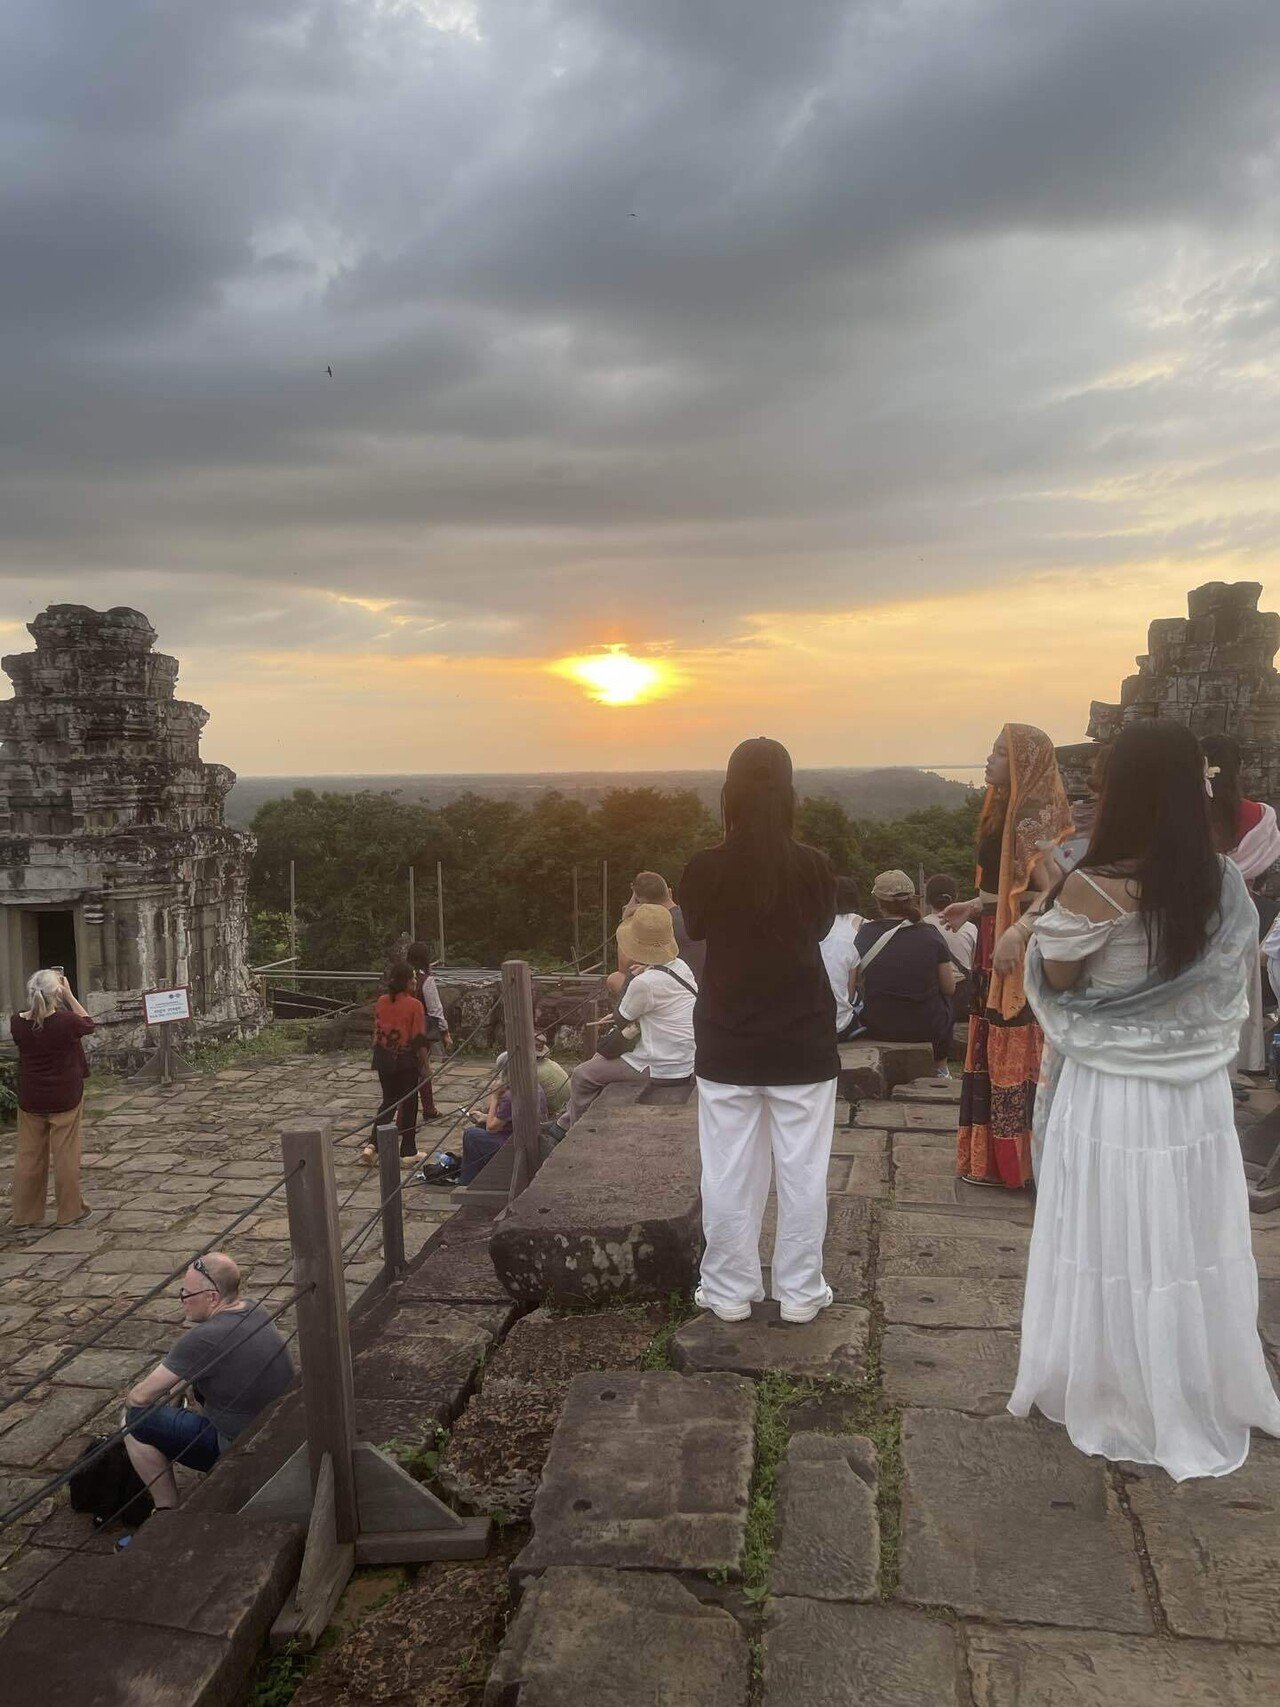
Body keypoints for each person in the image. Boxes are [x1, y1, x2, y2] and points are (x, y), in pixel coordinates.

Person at [1008, 719, 1280, 1480]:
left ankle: (1119, 1382)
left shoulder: (1098, 887)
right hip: (1194, 1090)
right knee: (1185, 1231)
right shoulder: (1222, 881)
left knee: (1111, 1231)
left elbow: (1058, 981)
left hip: (1115, 1091)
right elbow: (1235, 975)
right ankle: (1190, 1379)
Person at [679, 737, 838, 1326]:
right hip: (803, 1037)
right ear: (790, 794)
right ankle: (799, 1291)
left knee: (725, 1171)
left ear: (730, 794)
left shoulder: (706, 866)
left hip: (727, 1036)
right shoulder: (815, 865)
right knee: (803, 1172)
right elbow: (820, 930)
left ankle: (728, 1289)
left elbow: (694, 925)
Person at [942, 724, 1074, 1189]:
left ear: (1023, 767)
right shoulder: (1007, 812)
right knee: (994, 1041)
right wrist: (976, 905)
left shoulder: (1026, 820)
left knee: (1013, 1042)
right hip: (994, 937)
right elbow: (1006, 886)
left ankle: (1014, 1162)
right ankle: (1000, 1160)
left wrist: (1017, 932)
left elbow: (1056, 888)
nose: (990, 760)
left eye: (1001, 754)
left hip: (1011, 947)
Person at [123, 1252, 294, 1507]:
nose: (182, 1299)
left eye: (187, 1294)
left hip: (239, 1448)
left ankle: (165, 1509)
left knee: (131, 1420)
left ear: (212, 1297)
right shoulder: (255, 1307)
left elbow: (138, 1398)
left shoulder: (203, 1338)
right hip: (281, 1431)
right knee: (189, 1389)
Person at [553, 903, 697, 1134]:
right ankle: (563, 1122)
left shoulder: (644, 982)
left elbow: (621, 1018)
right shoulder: (681, 967)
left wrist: (632, 977)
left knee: (582, 1075)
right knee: (600, 1057)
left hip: (660, 1064)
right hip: (685, 1056)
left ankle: (574, 1133)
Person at [1202, 734, 1280, 1078]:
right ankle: (1234, 1070)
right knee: (1237, 995)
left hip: (1194, 909)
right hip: (1240, 913)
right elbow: (1260, 865)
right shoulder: (1260, 817)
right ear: (1241, 768)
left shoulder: (1186, 817)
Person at [9, 969, 94, 1229]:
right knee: (66, 1155)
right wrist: (69, 995)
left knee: (29, 1156)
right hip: (64, 1096)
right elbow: (88, 1023)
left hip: (32, 1098)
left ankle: (24, 1215)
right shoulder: (66, 1022)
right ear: (55, 992)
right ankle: (70, 1211)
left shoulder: (17, 1022)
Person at [855, 872, 957, 1075]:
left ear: (878, 901)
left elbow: (858, 981)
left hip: (878, 1023)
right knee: (944, 1003)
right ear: (913, 899)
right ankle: (941, 1067)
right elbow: (949, 987)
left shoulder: (865, 934)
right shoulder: (930, 934)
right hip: (926, 1026)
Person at [360, 960, 426, 1167]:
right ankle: (408, 1150)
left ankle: (372, 1145)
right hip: (404, 1059)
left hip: (383, 1056)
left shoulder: (381, 1001)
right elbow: (418, 1040)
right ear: (406, 982)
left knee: (388, 1101)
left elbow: (376, 1030)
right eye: (413, 977)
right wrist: (426, 1066)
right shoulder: (415, 1005)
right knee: (409, 1104)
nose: (416, 981)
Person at [455, 1058, 549, 1185]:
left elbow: (491, 1128)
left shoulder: (510, 1096)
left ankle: (467, 1180)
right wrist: (484, 1116)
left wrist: (494, 1096)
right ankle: (478, 1172)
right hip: (529, 1134)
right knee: (480, 1125)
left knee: (471, 1135)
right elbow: (506, 1117)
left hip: (515, 1143)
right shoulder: (535, 1086)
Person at [620, 871, 706, 981]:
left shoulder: (659, 925)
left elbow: (624, 965)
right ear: (669, 892)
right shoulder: (689, 915)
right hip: (698, 984)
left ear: (641, 902)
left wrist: (626, 921)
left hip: (679, 986)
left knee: (616, 978)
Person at [406, 942, 453, 1121]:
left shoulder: (403, 976)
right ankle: (428, 1108)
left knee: (408, 1070)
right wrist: (445, 1033)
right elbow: (435, 1009)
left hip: (401, 1029)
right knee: (424, 1070)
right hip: (419, 1031)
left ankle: (411, 1110)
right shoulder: (425, 980)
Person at [819, 876, 865, 1040]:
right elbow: (852, 993)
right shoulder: (865, 927)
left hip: (815, 1023)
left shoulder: (815, 929)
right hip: (843, 1023)